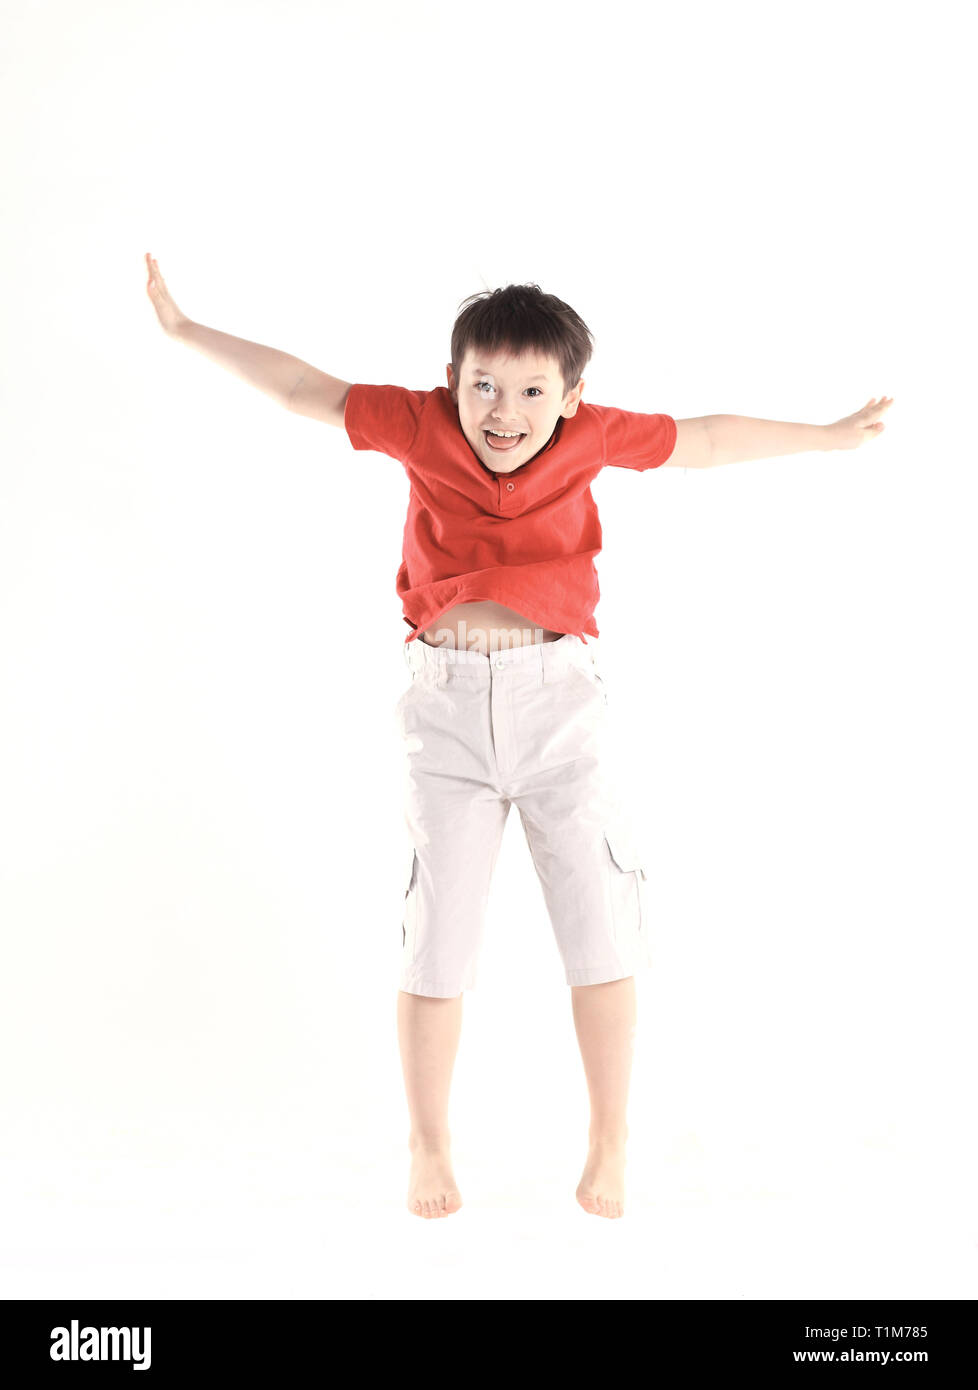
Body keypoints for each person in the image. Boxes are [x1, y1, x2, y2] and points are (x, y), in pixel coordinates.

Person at [145, 252, 893, 1221]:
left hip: (559, 706)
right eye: (484, 385)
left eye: (533, 389)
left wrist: (829, 438)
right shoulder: (418, 424)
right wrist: (186, 328)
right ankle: (428, 1143)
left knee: (600, 926)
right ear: (451, 379)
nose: (505, 410)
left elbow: (705, 439)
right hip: (444, 712)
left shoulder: (590, 438)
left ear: (572, 397)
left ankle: (610, 1137)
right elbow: (301, 388)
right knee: (436, 942)